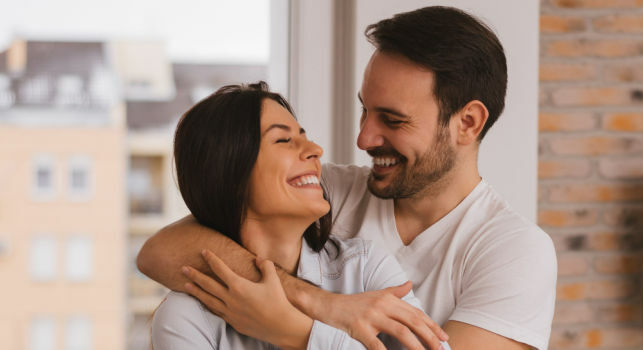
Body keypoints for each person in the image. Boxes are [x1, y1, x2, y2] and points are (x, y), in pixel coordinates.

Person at [138, 6, 557, 350]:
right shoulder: (323, 196)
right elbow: (162, 250)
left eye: (392, 120)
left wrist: (292, 329)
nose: (363, 138)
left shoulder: (515, 253)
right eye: (365, 110)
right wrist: (317, 301)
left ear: (467, 122)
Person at [151, 82, 448, 349]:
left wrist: (295, 332)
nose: (315, 150)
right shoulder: (186, 319)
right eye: (283, 141)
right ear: (229, 174)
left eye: (303, 136)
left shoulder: (364, 268)